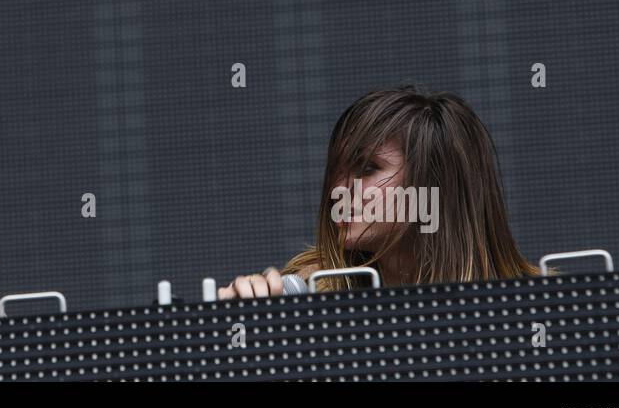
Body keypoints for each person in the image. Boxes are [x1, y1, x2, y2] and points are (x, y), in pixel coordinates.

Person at [219, 85, 538, 299]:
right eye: (336, 172)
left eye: (368, 168)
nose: (336, 191)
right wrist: (247, 330)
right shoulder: (309, 296)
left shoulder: (538, 308)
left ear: (436, 185)